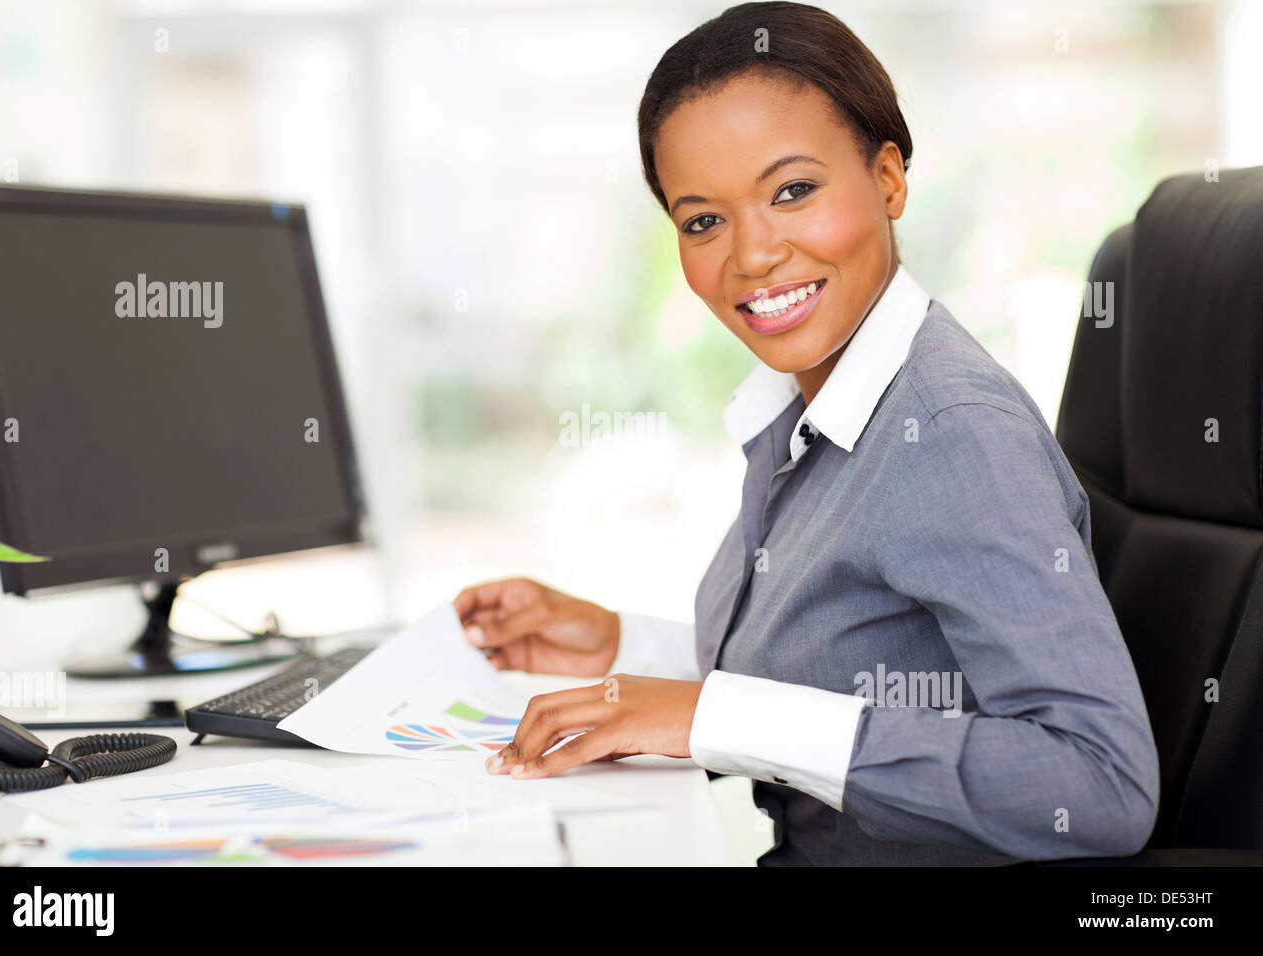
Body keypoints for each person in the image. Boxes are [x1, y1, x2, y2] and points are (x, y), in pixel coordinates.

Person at [453, 1, 1159, 866]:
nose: (751, 255)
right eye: (703, 219)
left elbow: (1101, 786)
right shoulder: (806, 409)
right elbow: (847, 665)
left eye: (793, 190)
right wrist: (618, 646)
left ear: (889, 177)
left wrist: (709, 715)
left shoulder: (947, 432)